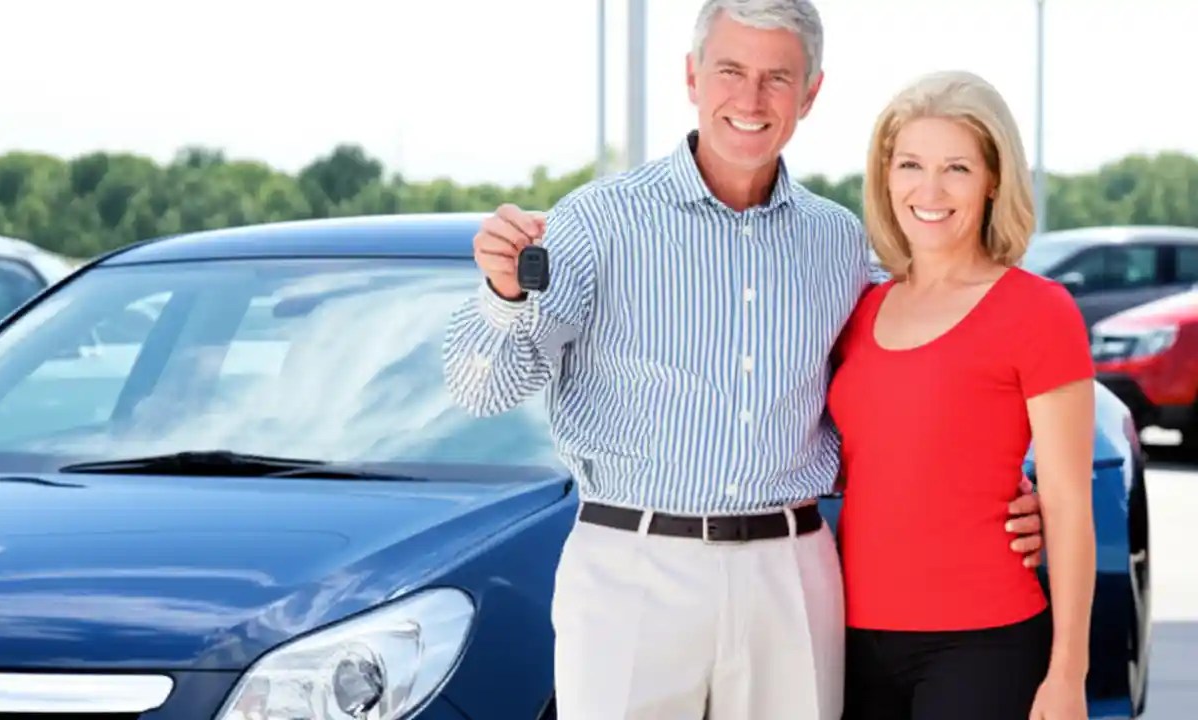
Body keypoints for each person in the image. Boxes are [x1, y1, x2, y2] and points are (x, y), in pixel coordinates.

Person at [443, 1, 1046, 717]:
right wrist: (502, 295)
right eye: (731, 70)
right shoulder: (597, 221)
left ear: (811, 93)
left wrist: (1000, 499)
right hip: (630, 571)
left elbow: (927, 385)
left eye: (778, 77)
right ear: (692, 75)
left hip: (790, 573)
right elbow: (481, 390)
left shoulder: (838, 241)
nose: (751, 99)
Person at [827, 70, 1095, 720]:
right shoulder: (860, 308)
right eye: (911, 164)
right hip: (850, 639)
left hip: (984, 641)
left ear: (994, 179)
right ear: (885, 176)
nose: (930, 190)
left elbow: (1066, 502)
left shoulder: (1039, 311)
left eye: (957, 168)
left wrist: (1068, 677)